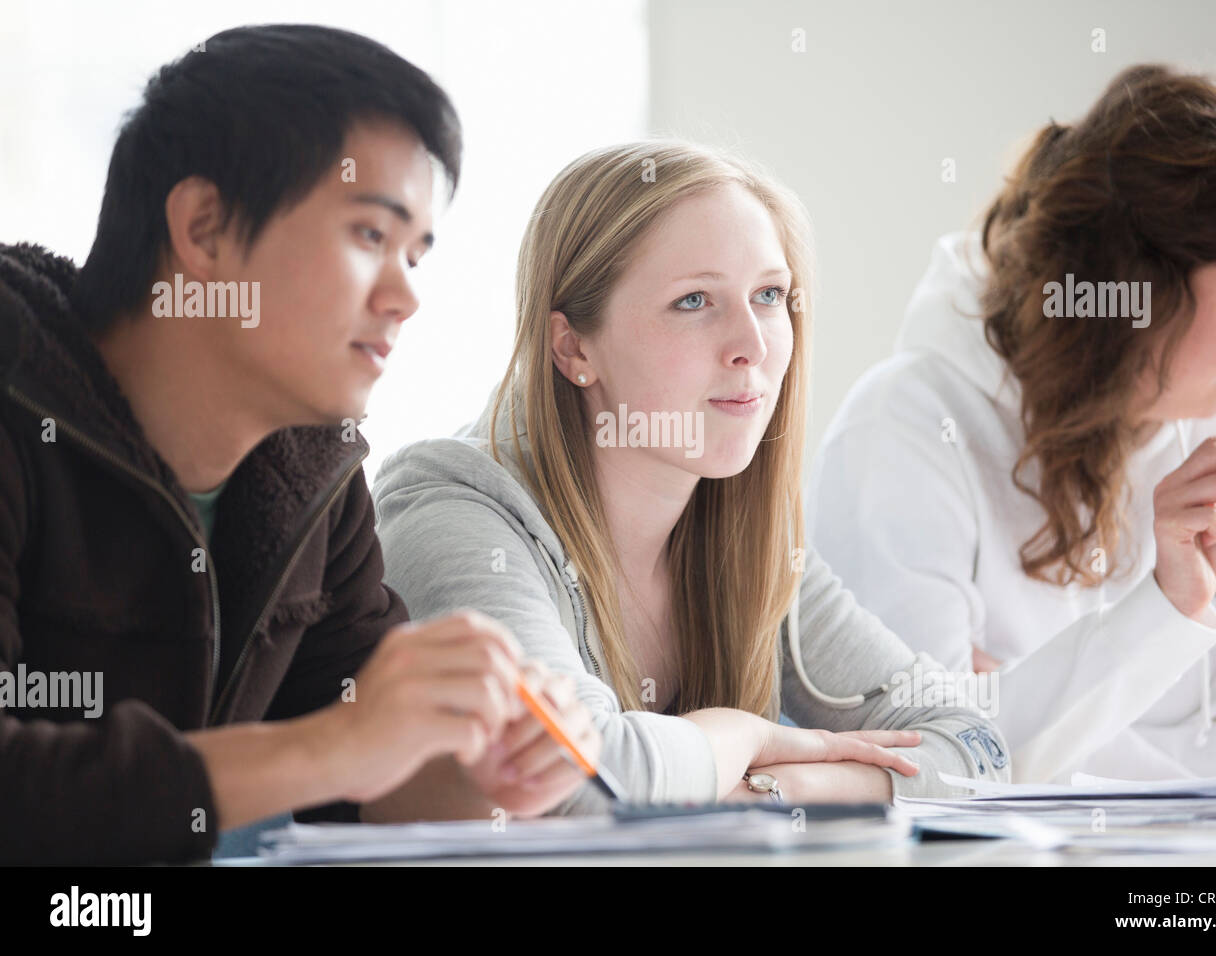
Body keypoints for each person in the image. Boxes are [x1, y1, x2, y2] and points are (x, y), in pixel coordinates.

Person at [0, 23, 595, 865]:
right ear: (204, 229)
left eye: (417, 256)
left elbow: (367, 788)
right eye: (369, 236)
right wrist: (336, 743)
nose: (404, 297)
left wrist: (493, 780)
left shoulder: (310, 477)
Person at [373, 140, 1011, 816]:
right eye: (694, 301)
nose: (754, 345)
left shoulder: (750, 528)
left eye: (769, 295)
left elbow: (978, 750)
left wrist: (775, 781)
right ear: (573, 346)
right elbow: (579, 788)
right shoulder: (452, 506)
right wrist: (743, 735)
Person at [809, 64, 1216, 782]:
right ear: (1145, 294)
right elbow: (921, 769)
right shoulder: (904, 431)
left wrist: (1017, 713)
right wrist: (1164, 615)